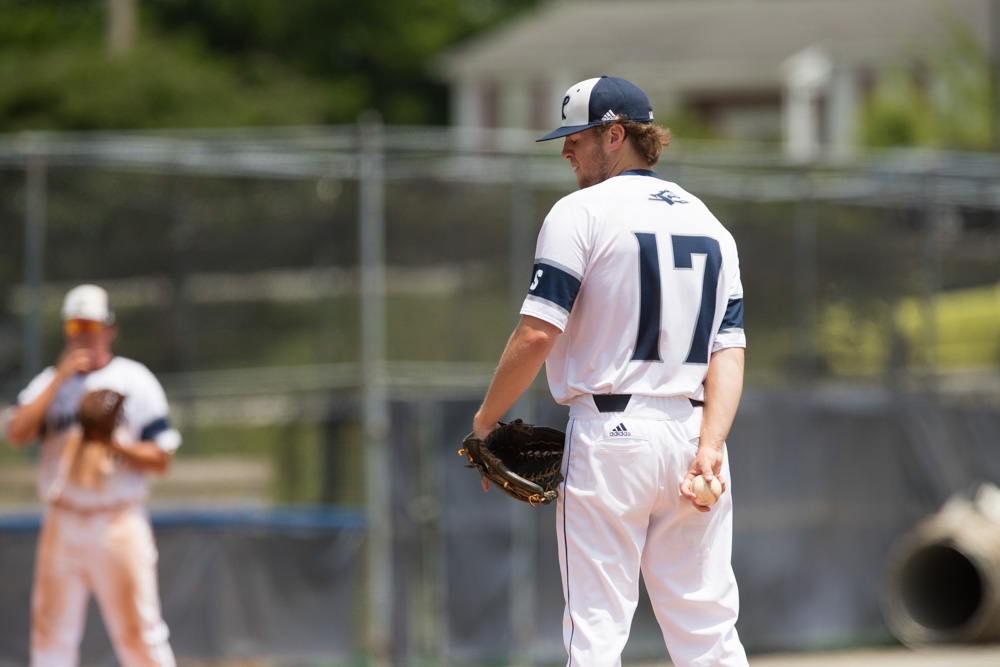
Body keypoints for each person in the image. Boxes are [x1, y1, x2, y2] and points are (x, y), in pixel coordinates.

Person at [472, 76, 749, 666]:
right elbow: (729, 350)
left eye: (577, 137)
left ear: (615, 135)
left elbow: (538, 332)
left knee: (595, 632)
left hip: (611, 438)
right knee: (708, 632)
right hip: (693, 441)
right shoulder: (709, 224)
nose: (566, 151)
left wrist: (486, 420)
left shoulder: (579, 212)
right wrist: (711, 446)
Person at [4, 284, 179, 667]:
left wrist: (115, 445)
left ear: (109, 328)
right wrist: (59, 378)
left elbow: (161, 457)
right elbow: (16, 432)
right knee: (51, 634)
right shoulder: (52, 381)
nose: (83, 334)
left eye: (90, 324)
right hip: (63, 519)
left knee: (139, 633)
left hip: (117, 521)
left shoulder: (134, 379)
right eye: (74, 326)